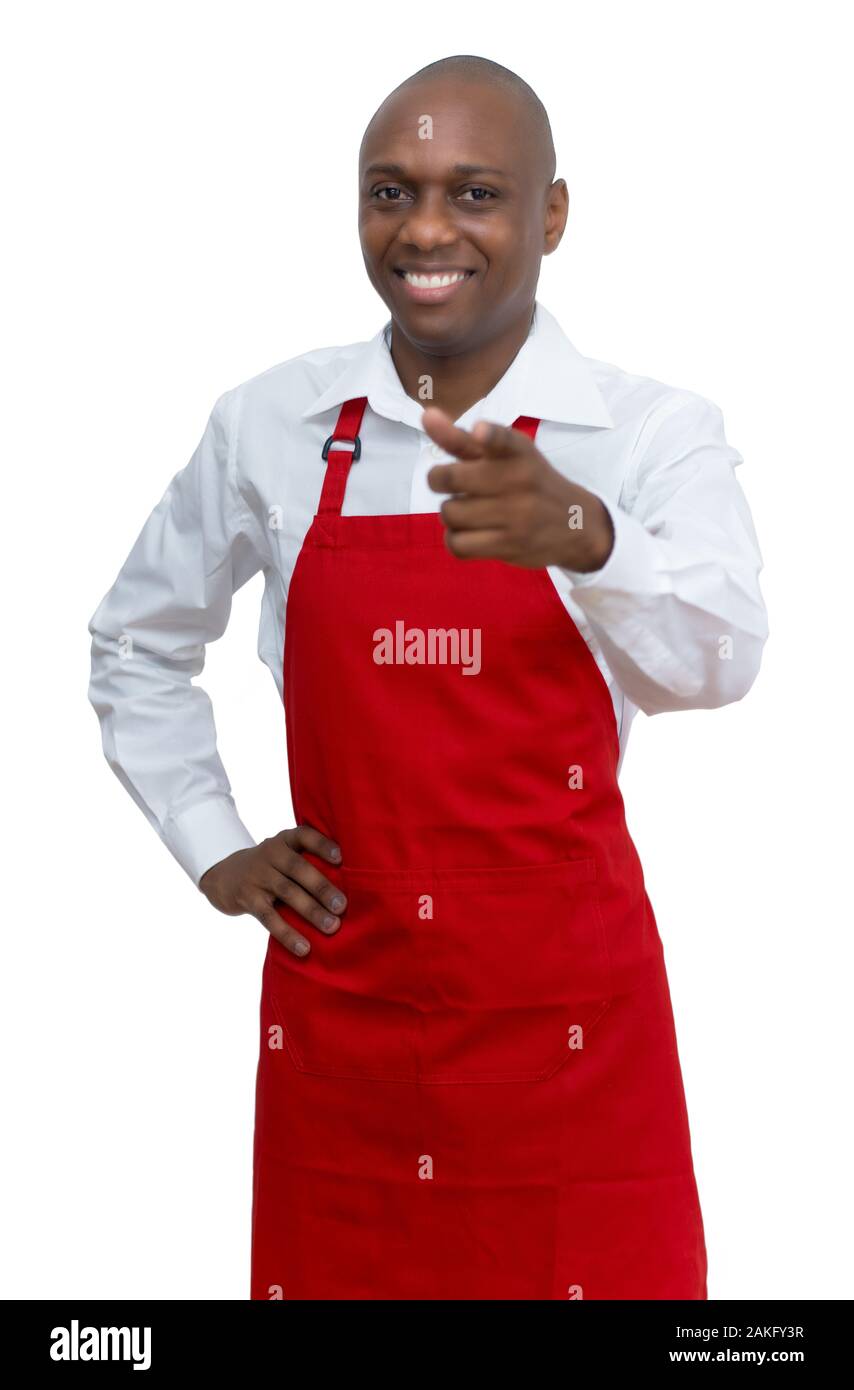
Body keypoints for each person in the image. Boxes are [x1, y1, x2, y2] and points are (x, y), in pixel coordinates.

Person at [87, 54, 768, 1300]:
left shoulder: (645, 433)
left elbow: (723, 659)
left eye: (476, 193)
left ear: (550, 214)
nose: (426, 230)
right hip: (345, 1016)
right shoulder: (272, 424)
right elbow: (137, 639)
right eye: (390, 191)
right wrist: (212, 842)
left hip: (569, 1031)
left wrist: (586, 536)